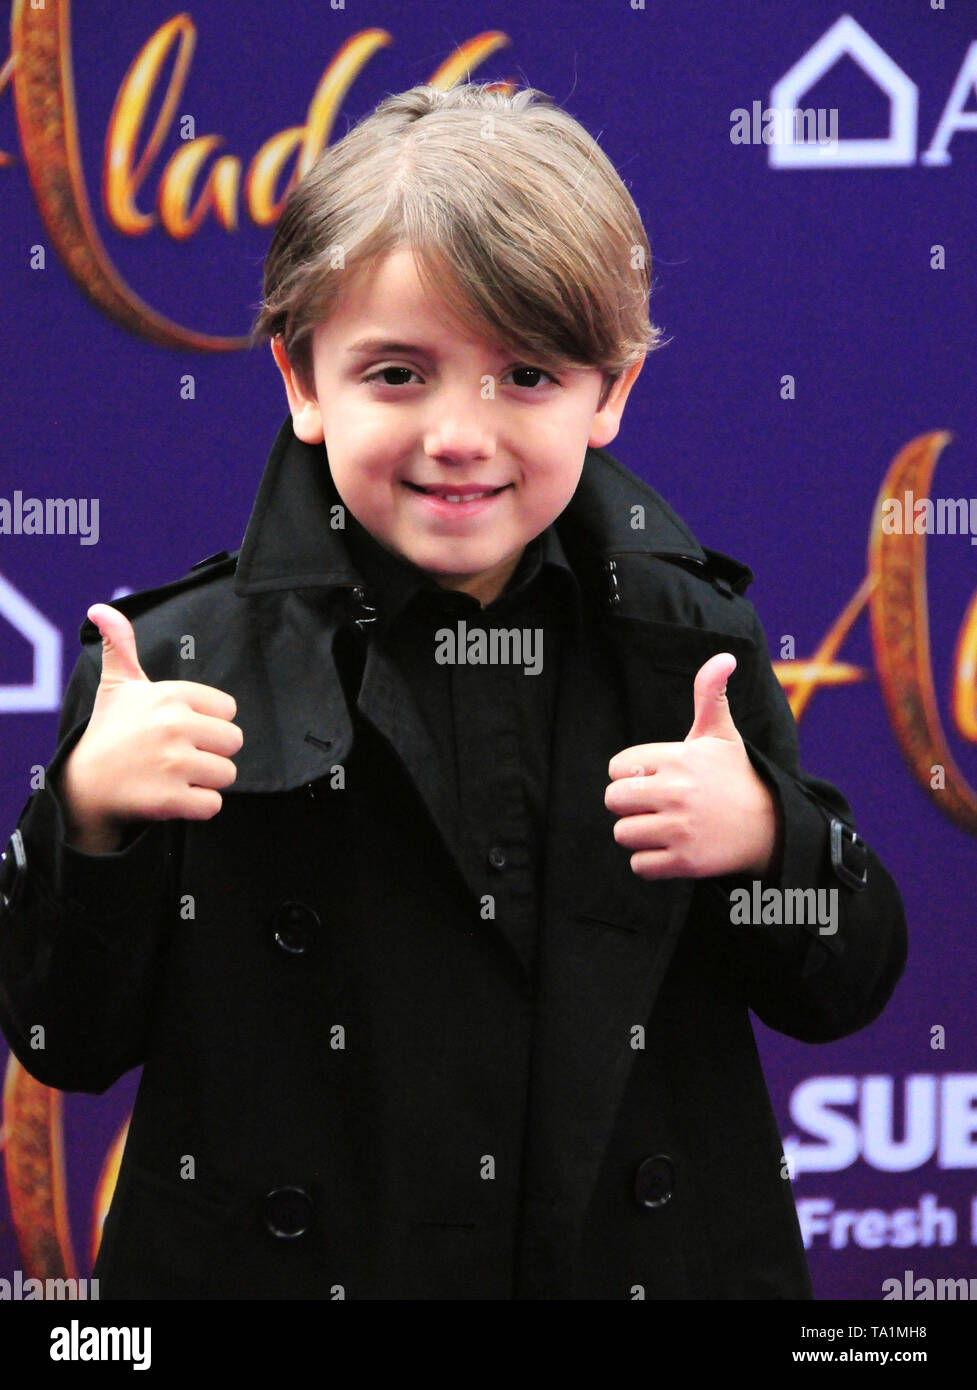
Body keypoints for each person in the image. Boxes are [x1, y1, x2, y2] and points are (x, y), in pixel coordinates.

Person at [0, 82, 906, 1299]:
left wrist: (765, 842)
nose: (460, 433)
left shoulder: (689, 640)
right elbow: (65, 1039)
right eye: (395, 372)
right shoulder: (170, 664)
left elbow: (844, 987)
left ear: (611, 391)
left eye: (525, 374)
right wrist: (92, 818)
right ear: (301, 382)